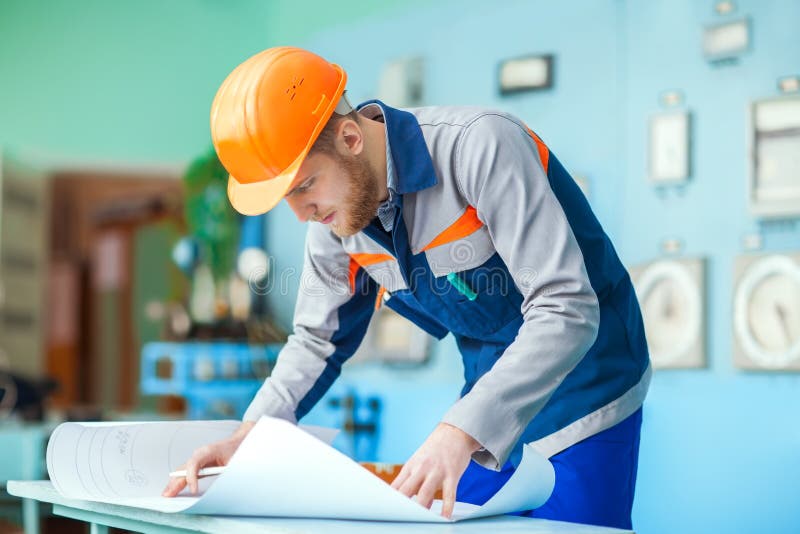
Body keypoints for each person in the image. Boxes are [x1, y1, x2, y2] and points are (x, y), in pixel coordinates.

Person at [163, 46, 651, 529]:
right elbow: (317, 341)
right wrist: (251, 435)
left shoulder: (480, 148)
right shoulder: (335, 220)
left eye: (304, 186)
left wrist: (458, 429)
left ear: (351, 138)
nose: (300, 214)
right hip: (486, 398)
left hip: (589, 390)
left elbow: (566, 307)